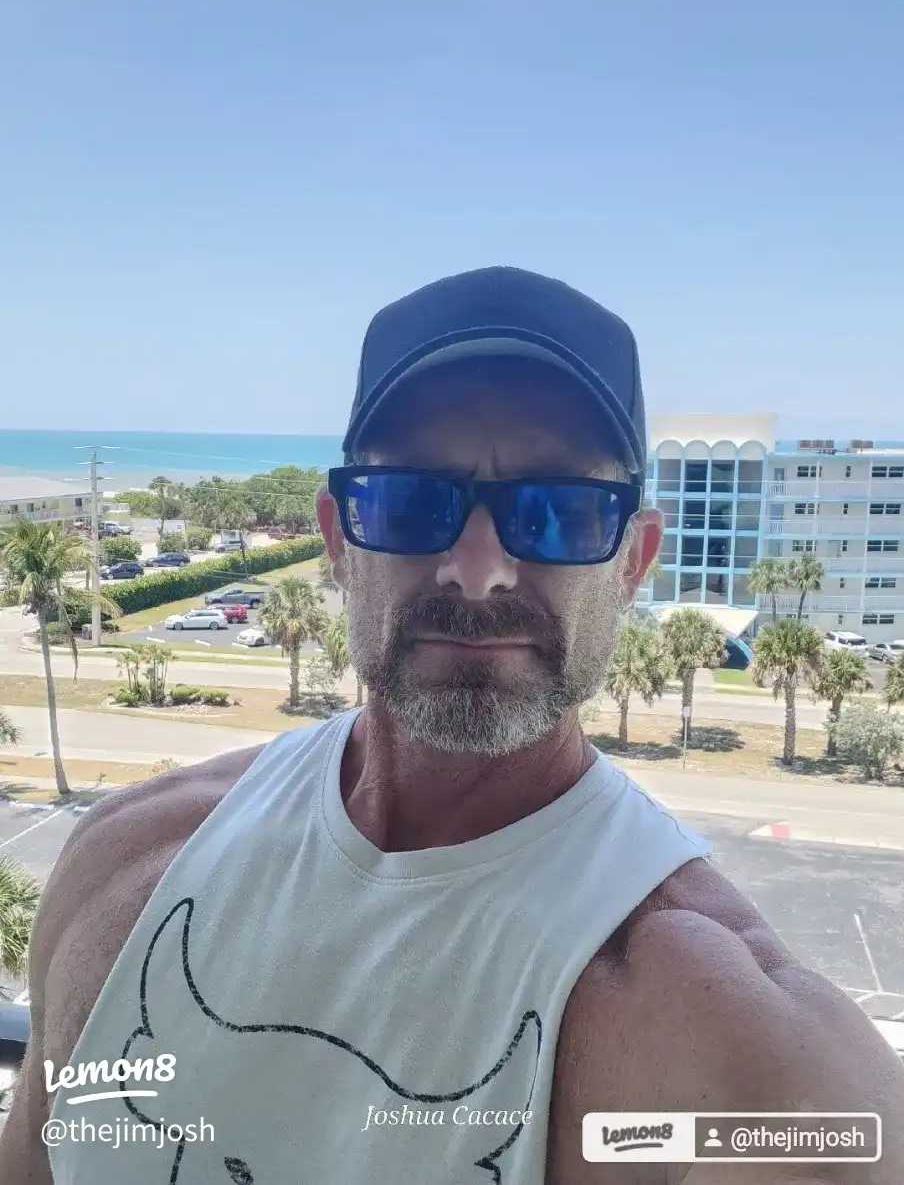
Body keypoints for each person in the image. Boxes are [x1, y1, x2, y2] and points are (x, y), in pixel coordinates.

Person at [1, 267, 902, 1184]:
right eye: (410, 501)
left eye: (559, 511)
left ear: (634, 559)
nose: (480, 571)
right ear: (340, 539)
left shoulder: (730, 1052)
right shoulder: (126, 870)